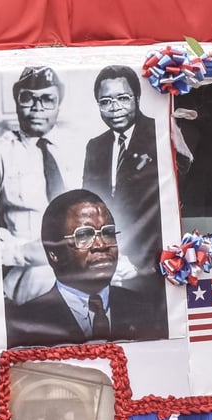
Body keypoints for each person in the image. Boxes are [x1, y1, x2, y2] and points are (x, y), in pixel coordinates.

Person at [6, 189, 167, 347]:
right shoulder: (24, 324)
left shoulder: (146, 310)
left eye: (108, 232)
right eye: (84, 235)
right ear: (54, 253)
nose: (102, 244)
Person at [0, 66, 81, 305]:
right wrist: (22, 253)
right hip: (28, 266)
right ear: (16, 101)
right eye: (28, 98)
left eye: (47, 100)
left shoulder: (77, 146)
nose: (37, 108)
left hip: (79, 258)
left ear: (58, 105)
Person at [82, 64, 162, 285]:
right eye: (105, 102)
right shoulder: (95, 146)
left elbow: (162, 209)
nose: (114, 108)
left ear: (137, 98)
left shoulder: (159, 134)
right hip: (109, 260)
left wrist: (138, 262)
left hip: (151, 262)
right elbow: (89, 204)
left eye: (123, 98)